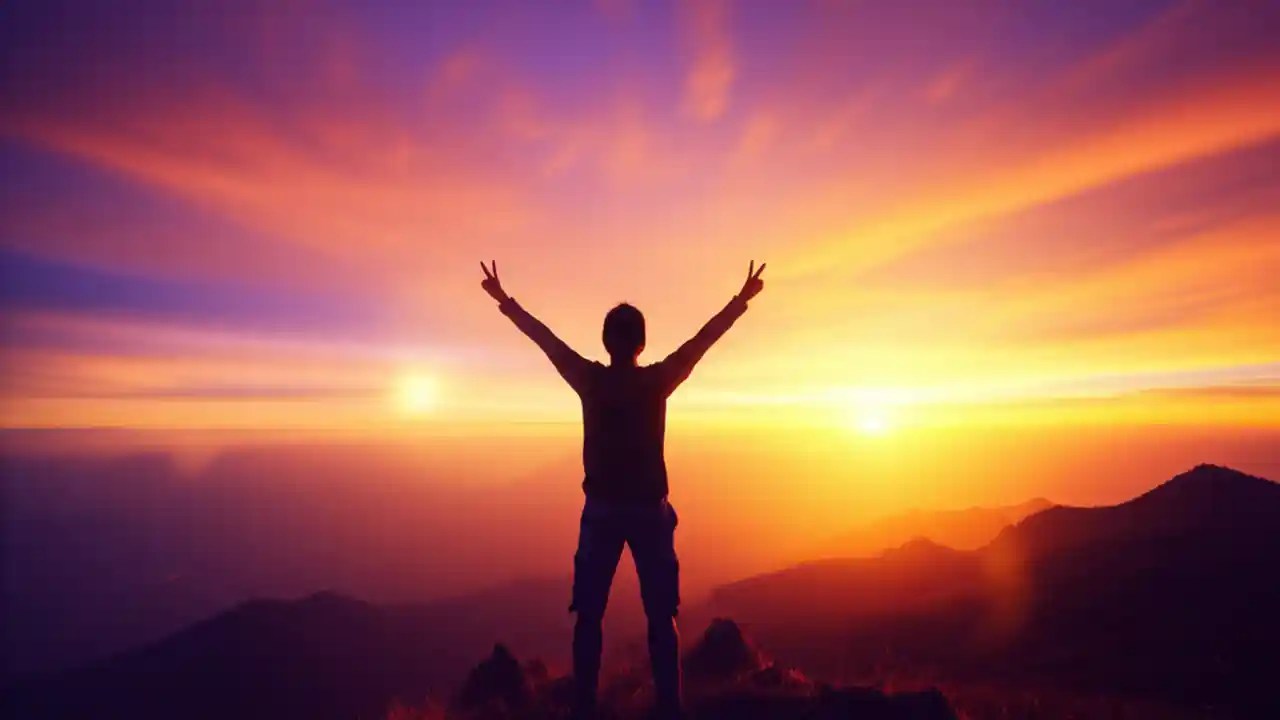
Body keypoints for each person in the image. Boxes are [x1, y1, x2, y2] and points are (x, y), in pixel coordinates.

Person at [479, 260, 766, 719]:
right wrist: (740, 300)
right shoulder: (656, 382)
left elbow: (546, 340)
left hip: (602, 512)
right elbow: (701, 343)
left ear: (607, 341)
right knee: (661, 617)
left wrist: (506, 301)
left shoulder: (590, 380)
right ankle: (669, 708)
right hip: (650, 512)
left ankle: (585, 709)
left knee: (589, 616)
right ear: (641, 342)